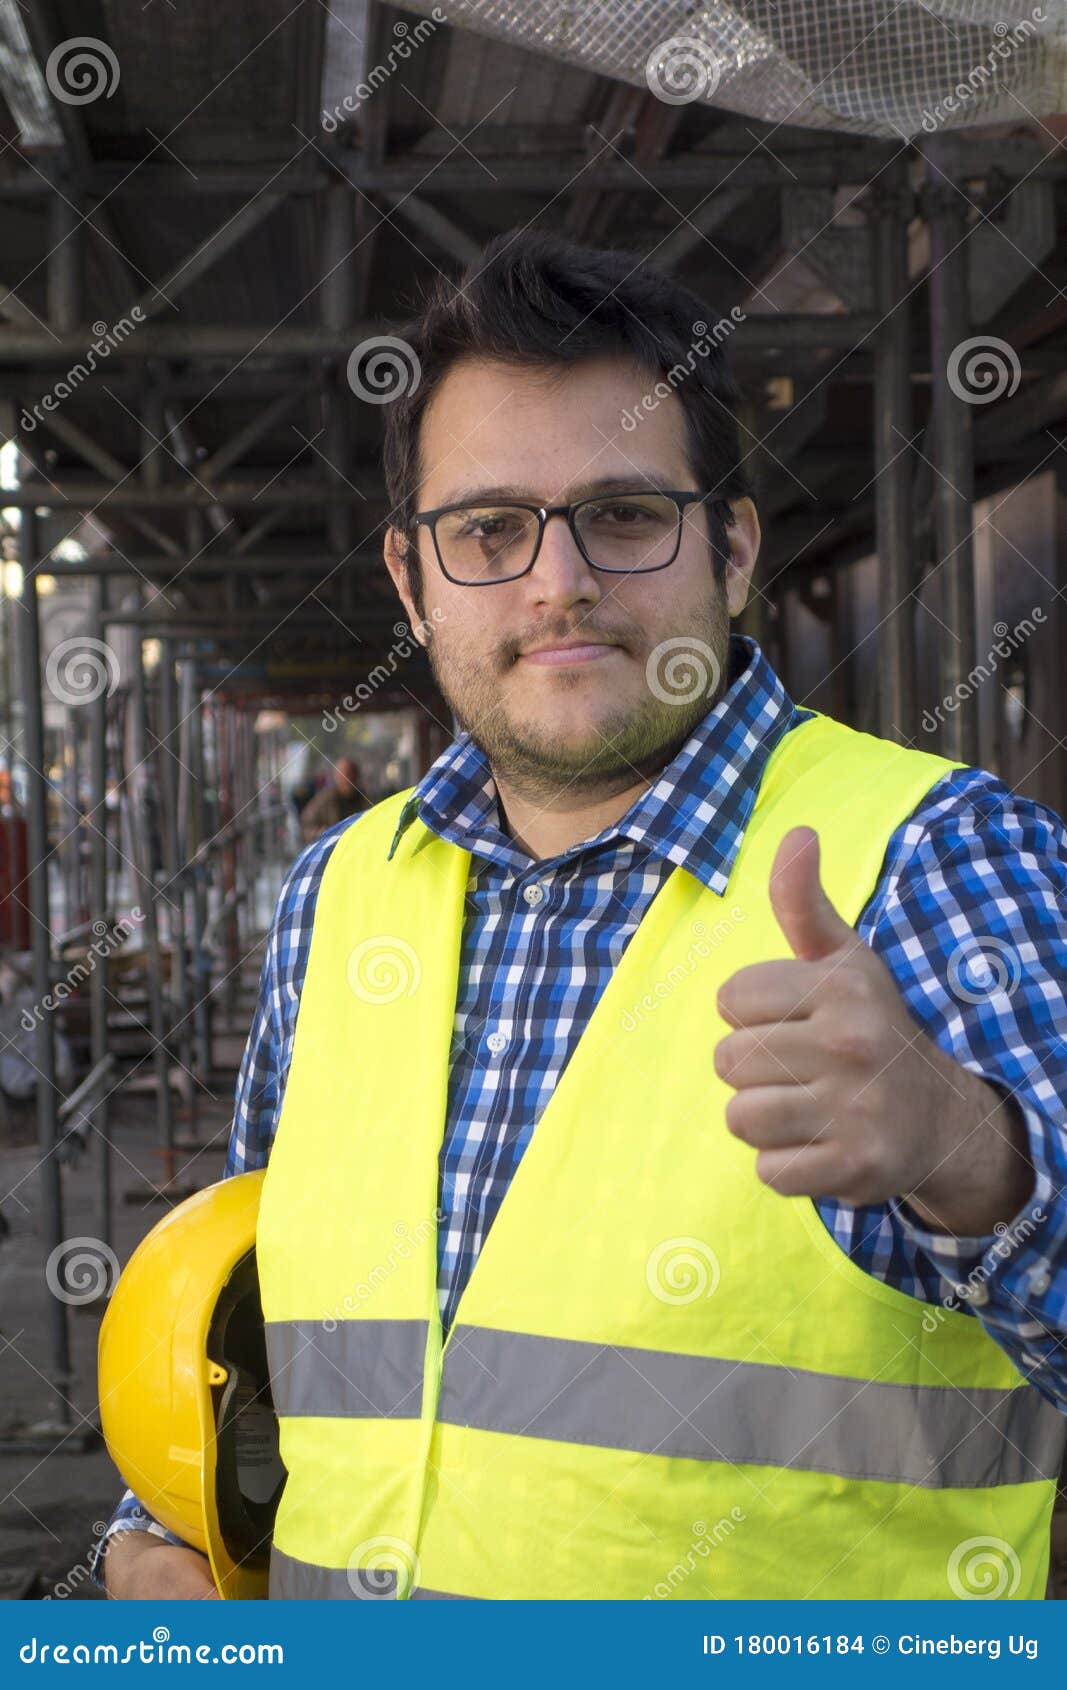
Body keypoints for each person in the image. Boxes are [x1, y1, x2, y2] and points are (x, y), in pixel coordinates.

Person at [94, 229, 1067, 1602]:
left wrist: (972, 1156)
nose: (557, 582)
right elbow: (250, 1304)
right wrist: (159, 1529)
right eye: (488, 529)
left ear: (730, 550)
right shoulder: (337, 895)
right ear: (410, 580)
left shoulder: (931, 860)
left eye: (620, 515)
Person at [296, 755, 364, 843]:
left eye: (352, 775)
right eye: (345, 775)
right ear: (337, 777)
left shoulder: (363, 799)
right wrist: (324, 834)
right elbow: (306, 826)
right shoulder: (324, 800)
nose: (349, 780)